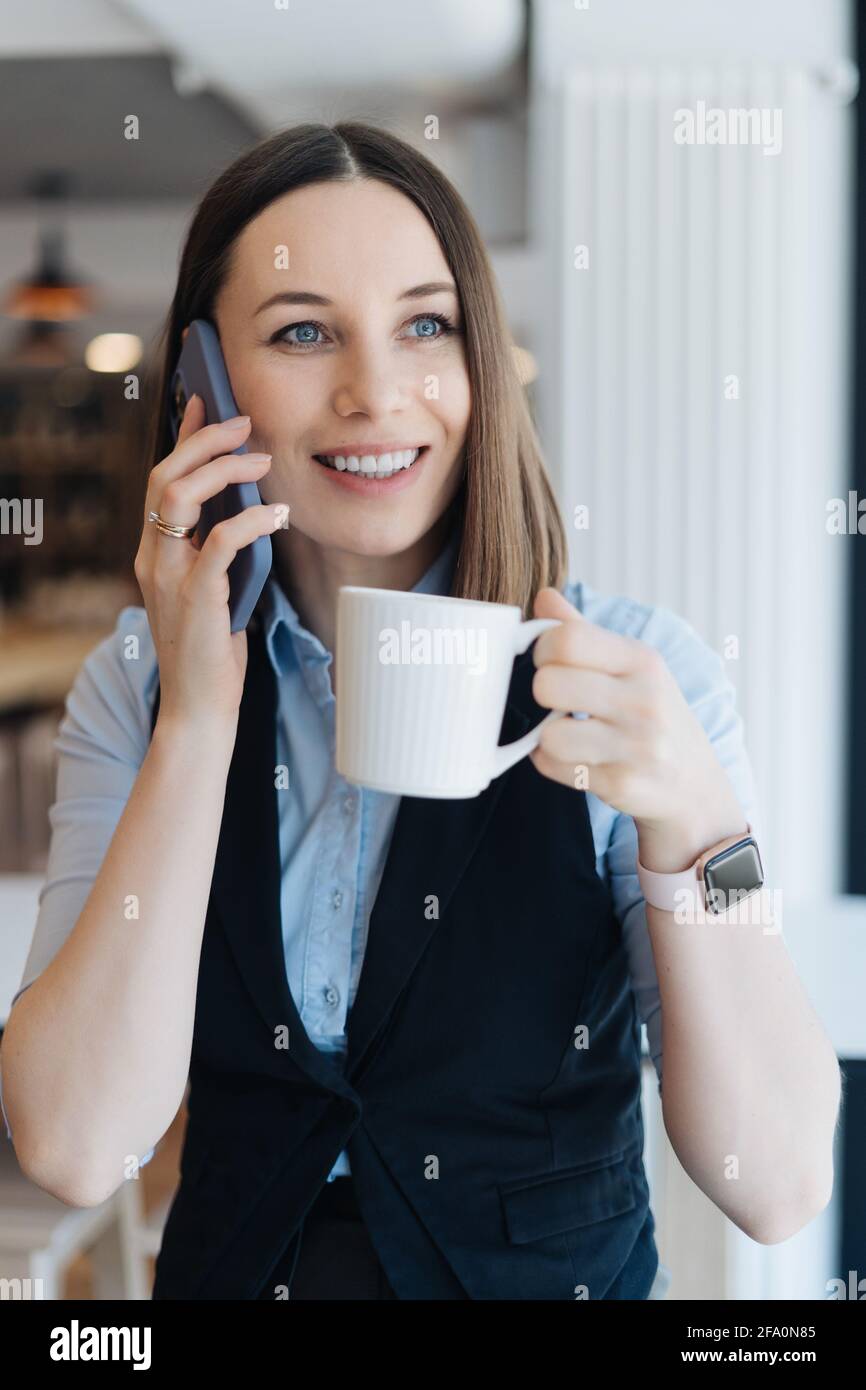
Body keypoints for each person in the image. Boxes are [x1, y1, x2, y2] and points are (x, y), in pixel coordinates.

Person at [0, 122, 840, 1301]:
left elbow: (779, 1177)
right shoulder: (136, 689)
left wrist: (699, 826)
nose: (374, 391)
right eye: (302, 332)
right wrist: (194, 717)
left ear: (479, 361)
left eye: (424, 325)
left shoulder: (637, 673)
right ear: (204, 384)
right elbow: (78, 1144)